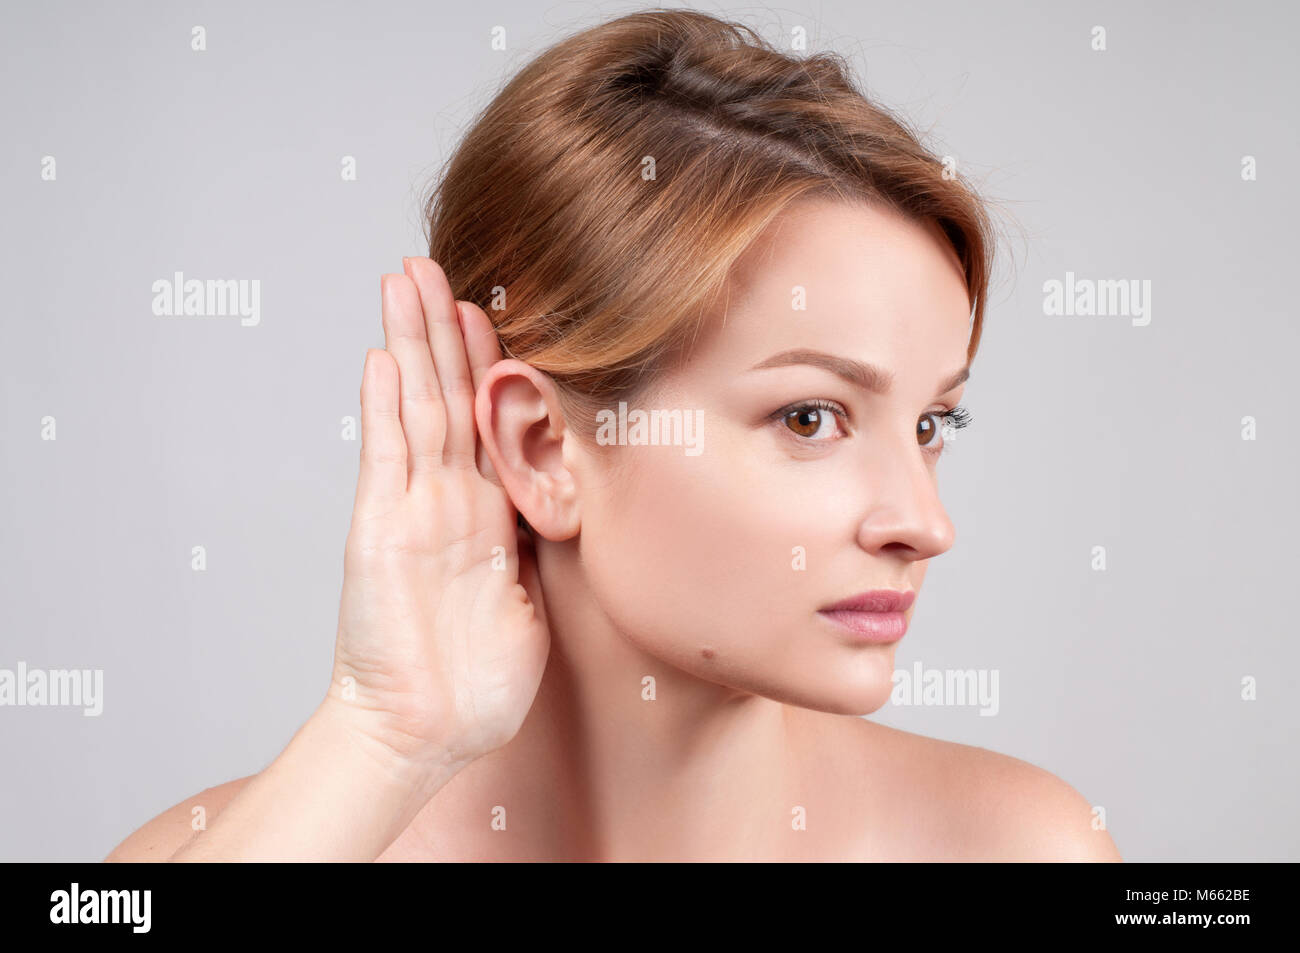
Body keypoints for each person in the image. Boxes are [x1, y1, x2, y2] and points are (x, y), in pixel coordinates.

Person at [106, 8, 1121, 862]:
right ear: (543, 448)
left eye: (934, 421)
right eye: (810, 417)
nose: (923, 522)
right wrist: (383, 738)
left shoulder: (1019, 847)